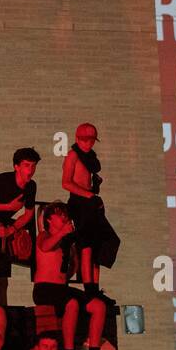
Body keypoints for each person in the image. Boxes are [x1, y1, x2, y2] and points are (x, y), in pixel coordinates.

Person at [33, 203, 113, 350]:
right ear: (48, 219)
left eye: (65, 214)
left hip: (61, 288)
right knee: (72, 303)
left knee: (98, 306)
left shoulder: (67, 243)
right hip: (44, 288)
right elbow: (45, 246)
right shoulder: (43, 235)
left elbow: (73, 267)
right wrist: (63, 233)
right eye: (59, 214)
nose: (64, 217)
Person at [0, 147, 41, 304]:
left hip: (2, 232)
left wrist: (12, 229)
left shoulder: (31, 186)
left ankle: (0, 314)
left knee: (2, 279)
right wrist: (8, 207)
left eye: (33, 166)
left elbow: (28, 214)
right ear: (16, 166)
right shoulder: (3, 181)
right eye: (26, 165)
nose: (30, 170)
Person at [62, 123, 120, 298]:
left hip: (91, 203)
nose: (89, 144)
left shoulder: (90, 157)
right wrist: (88, 196)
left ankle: (95, 286)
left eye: (92, 140)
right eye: (86, 140)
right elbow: (66, 183)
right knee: (86, 246)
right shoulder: (72, 156)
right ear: (78, 139)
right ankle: (89, 289)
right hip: (80, 203)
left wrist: (94, 193)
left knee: (103, 242)